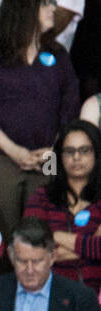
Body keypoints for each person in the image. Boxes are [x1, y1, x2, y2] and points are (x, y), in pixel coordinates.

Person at [0, 0, 79, 246]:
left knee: (45, 225)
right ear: (24, 10)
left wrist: (55, 150)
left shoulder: (58, 54)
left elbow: (69, 111)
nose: (53, 9)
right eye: (46, 4)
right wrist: (14, 151)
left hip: (47, 158)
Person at [24, 120, 101, 294]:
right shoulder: (42, 196)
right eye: (69, 151)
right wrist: (90, 246)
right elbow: (31, 245)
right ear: (59, 156)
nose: (76, 157)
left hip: (96, 295)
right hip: (51, 293)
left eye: (84, 150)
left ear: (97, 153)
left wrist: (56, 236)